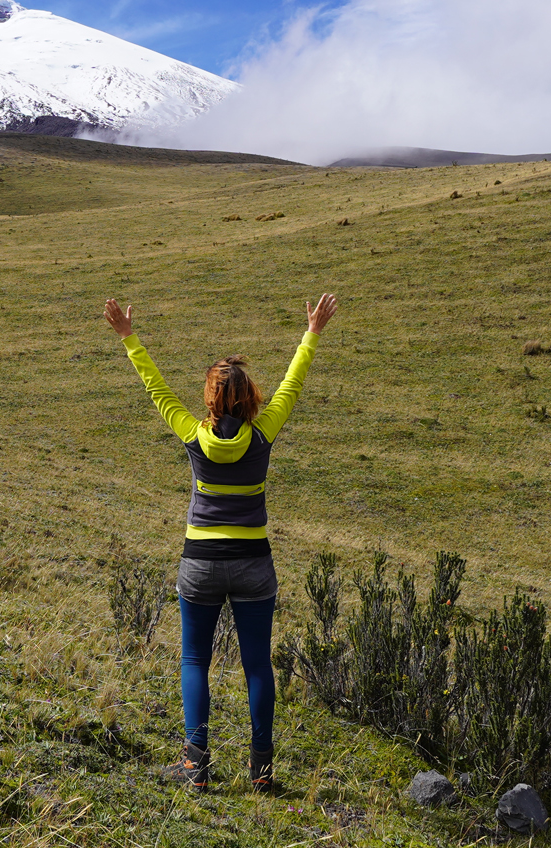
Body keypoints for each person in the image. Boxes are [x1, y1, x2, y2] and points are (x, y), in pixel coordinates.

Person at [104, 292, 337, 793]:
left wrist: (128, 336)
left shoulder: (192, 434)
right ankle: (261, 772)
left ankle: (196, 768)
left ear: (209, 401)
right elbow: (293, 385)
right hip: (254, 562)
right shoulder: (264, 432)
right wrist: (311, 332)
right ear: (251, 397)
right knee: (257, 665)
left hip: (201, 562)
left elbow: (156, 389)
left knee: (195, 661)